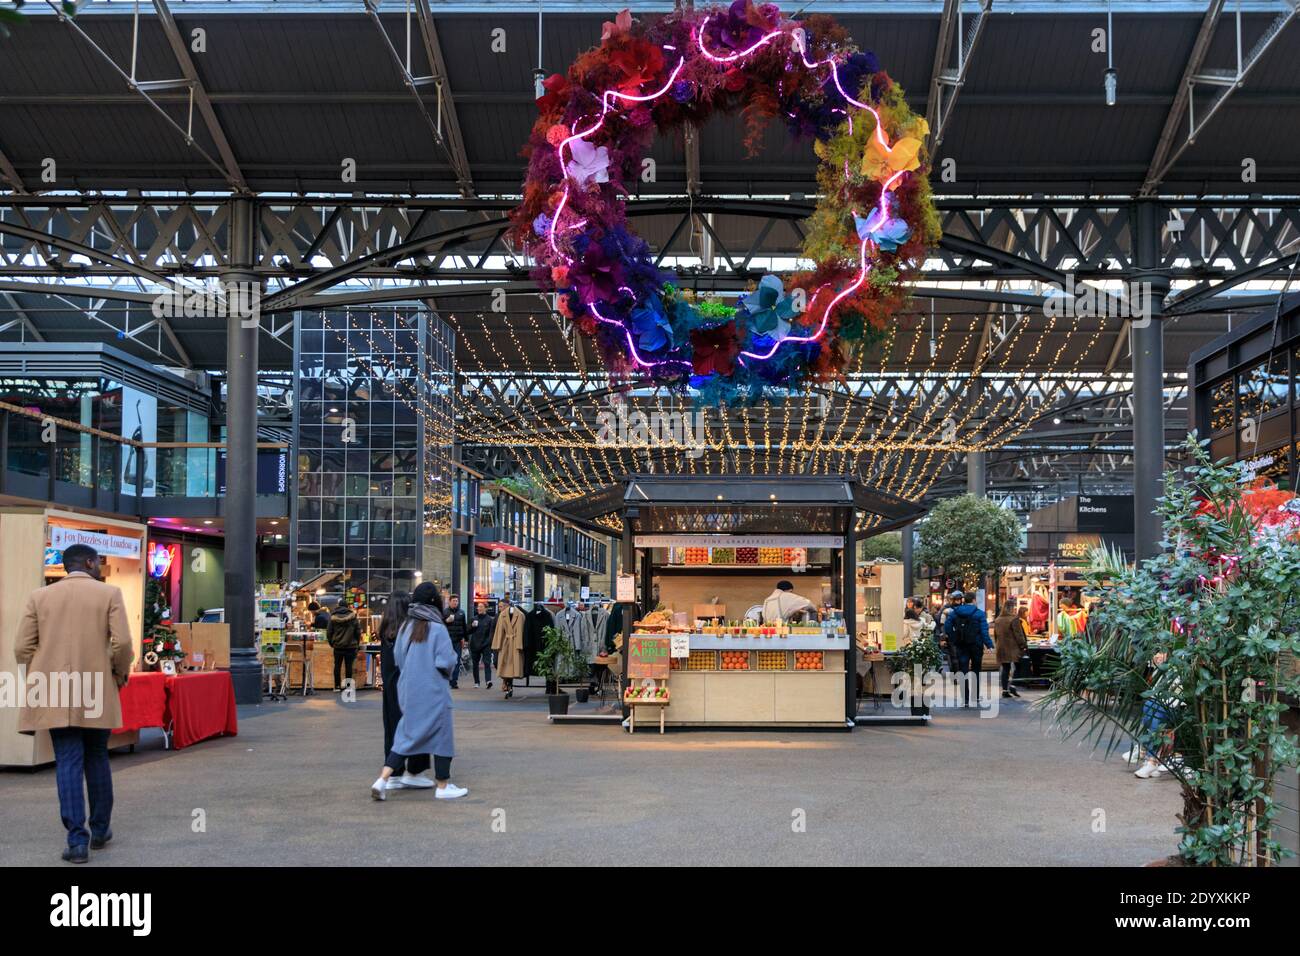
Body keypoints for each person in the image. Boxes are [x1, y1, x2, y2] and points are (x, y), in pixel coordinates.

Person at [14, 544, 134, 863]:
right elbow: (122, 643)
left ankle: (76, 840)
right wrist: (118, 674)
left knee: (67, 760)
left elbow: (21, 648)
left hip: (54, 691)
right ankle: (99, 830)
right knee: (97, 756)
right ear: (90, 563)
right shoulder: (109, 594)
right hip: (96, 689)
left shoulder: (39, 597)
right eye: (99, 563)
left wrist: (43, 671)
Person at [370, 583, 467, 801]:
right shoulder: (438, 628)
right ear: (434, 602)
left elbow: (398, 657)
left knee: (406, 736)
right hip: (433, 691)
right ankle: (443, 786)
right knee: (443, 737)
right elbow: (446, 661)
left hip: (407, 689)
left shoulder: (405, 627)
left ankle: (383, 779)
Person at [376, 591, 431, 791]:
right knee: (418, 726)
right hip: (411, 686)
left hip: (390, 687)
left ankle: (394, 773)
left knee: (392, 727)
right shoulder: (411, 631)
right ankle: (415, 770)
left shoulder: (385, 631)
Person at [943, 590, 994, 707]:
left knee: (963, 670)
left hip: (961, 644)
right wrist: (989, 644)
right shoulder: (980, 613)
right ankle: (975, 697)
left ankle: (965, 699)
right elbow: (984, 631)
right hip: (976, 645)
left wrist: (953, 638)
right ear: (974, 600)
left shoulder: (955, 612)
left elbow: (947, 626)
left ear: (963, 600)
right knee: (976, 670)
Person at [491, 596, 525, 699]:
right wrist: (496, 645)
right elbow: (496, 631)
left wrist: (519, 644)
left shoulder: (520, 615)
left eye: (501, 606)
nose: (500, 608)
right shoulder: (501, 615)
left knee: (509, 666)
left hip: (514, 643)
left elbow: (521, 630)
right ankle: (506, 682)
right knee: (500, 664)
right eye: (499, 606)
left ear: (507, 606)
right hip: (504, 644)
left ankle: (508, 685)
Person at [993, 601, 1028, 698]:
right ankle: (1013, 685)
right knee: (1019, 666)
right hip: (1013, 647)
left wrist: (998, 644)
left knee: (1005, 668)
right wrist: (1023, 645)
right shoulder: (1014, 619)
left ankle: (1005, 690)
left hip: (1001, 647)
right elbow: (1018, 634)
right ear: (1011, 608)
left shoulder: (998, 620)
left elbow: (996, 635)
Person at [326, 601, 362, 692]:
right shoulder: (353, 617)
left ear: (338, 606)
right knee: (348, 667)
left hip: (338, 646)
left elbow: (329, 632)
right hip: (351, 646)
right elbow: (358, 631)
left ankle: (337, 686)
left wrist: (331, 643)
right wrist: (357, 643)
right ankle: (348, 687)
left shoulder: (333, 617)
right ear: (347, 607)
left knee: (337, 666)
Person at [467, 600, 496, 689]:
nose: (479, 608)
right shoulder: (473, 619)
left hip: (485, 645)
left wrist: (488, 643)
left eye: (481, 607)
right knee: (475, 664)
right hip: (475, 644)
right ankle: (477, 682)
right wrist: (472, 626)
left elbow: (491, 633)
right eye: (478, 607)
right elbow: (468, 631)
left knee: (487, 663)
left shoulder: (490, 620)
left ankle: (488, 681)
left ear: (485, 608)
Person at [442, 593, 467, 690]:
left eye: (457, 601)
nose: (455, 602)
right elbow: (440, 625)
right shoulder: (444, 612)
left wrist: (466, 639)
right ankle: (447, 679)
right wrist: (446, 621)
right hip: (447, 640)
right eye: (454, 601)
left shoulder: (461, 612)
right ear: (449, 602)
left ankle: (454, 681)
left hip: (457, 640)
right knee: (448, 661)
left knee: (456, 661)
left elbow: (464, 626)